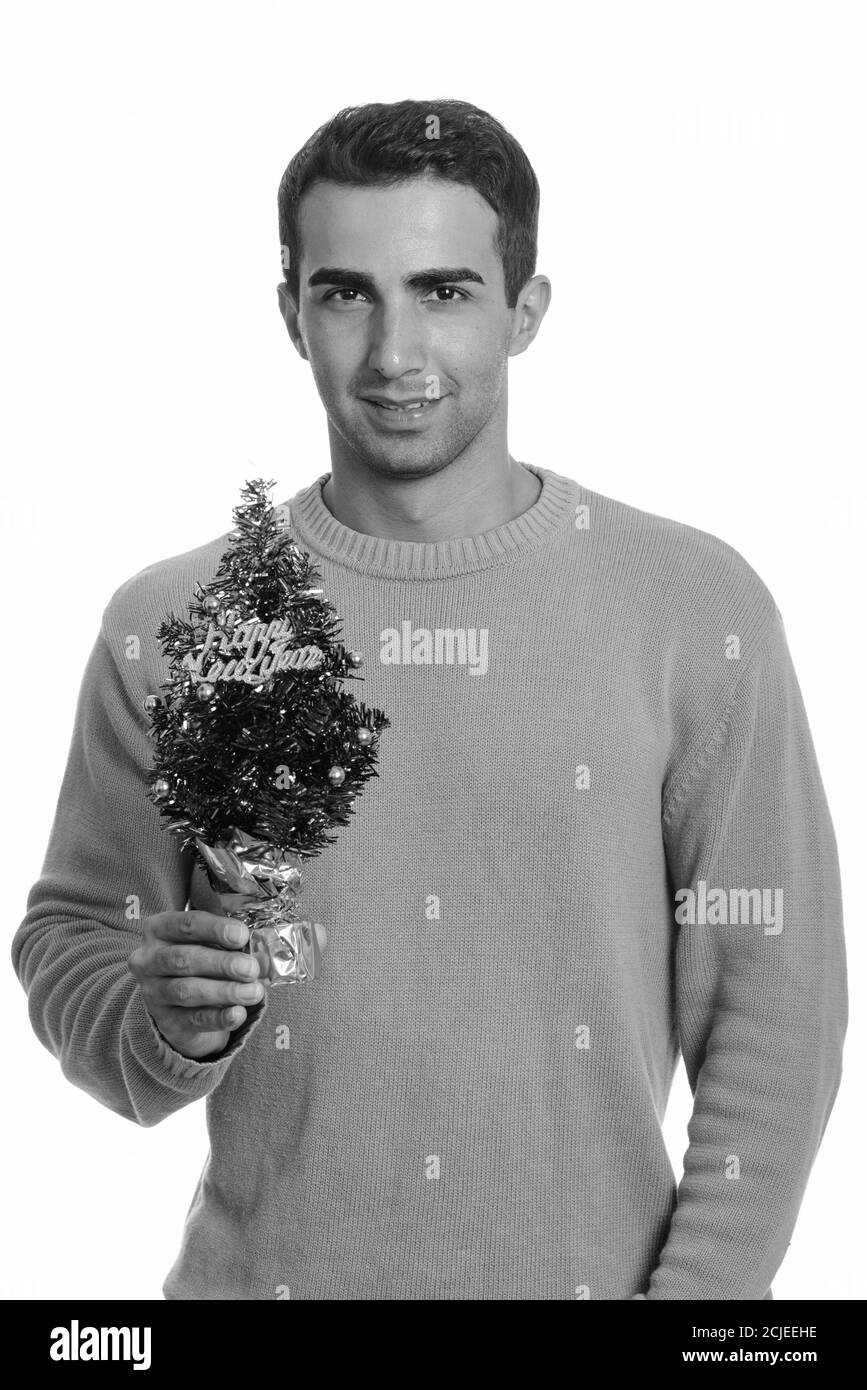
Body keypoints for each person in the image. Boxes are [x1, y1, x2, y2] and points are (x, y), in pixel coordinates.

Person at [12, 98, 847, 1301]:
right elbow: (71, 935)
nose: (395, 351)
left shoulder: (691, 606)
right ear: (290, 312)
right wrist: (163, 1026)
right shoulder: (175, 621)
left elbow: (778, 1004)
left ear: (527, 310)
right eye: (348, 292)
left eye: (445, 292)